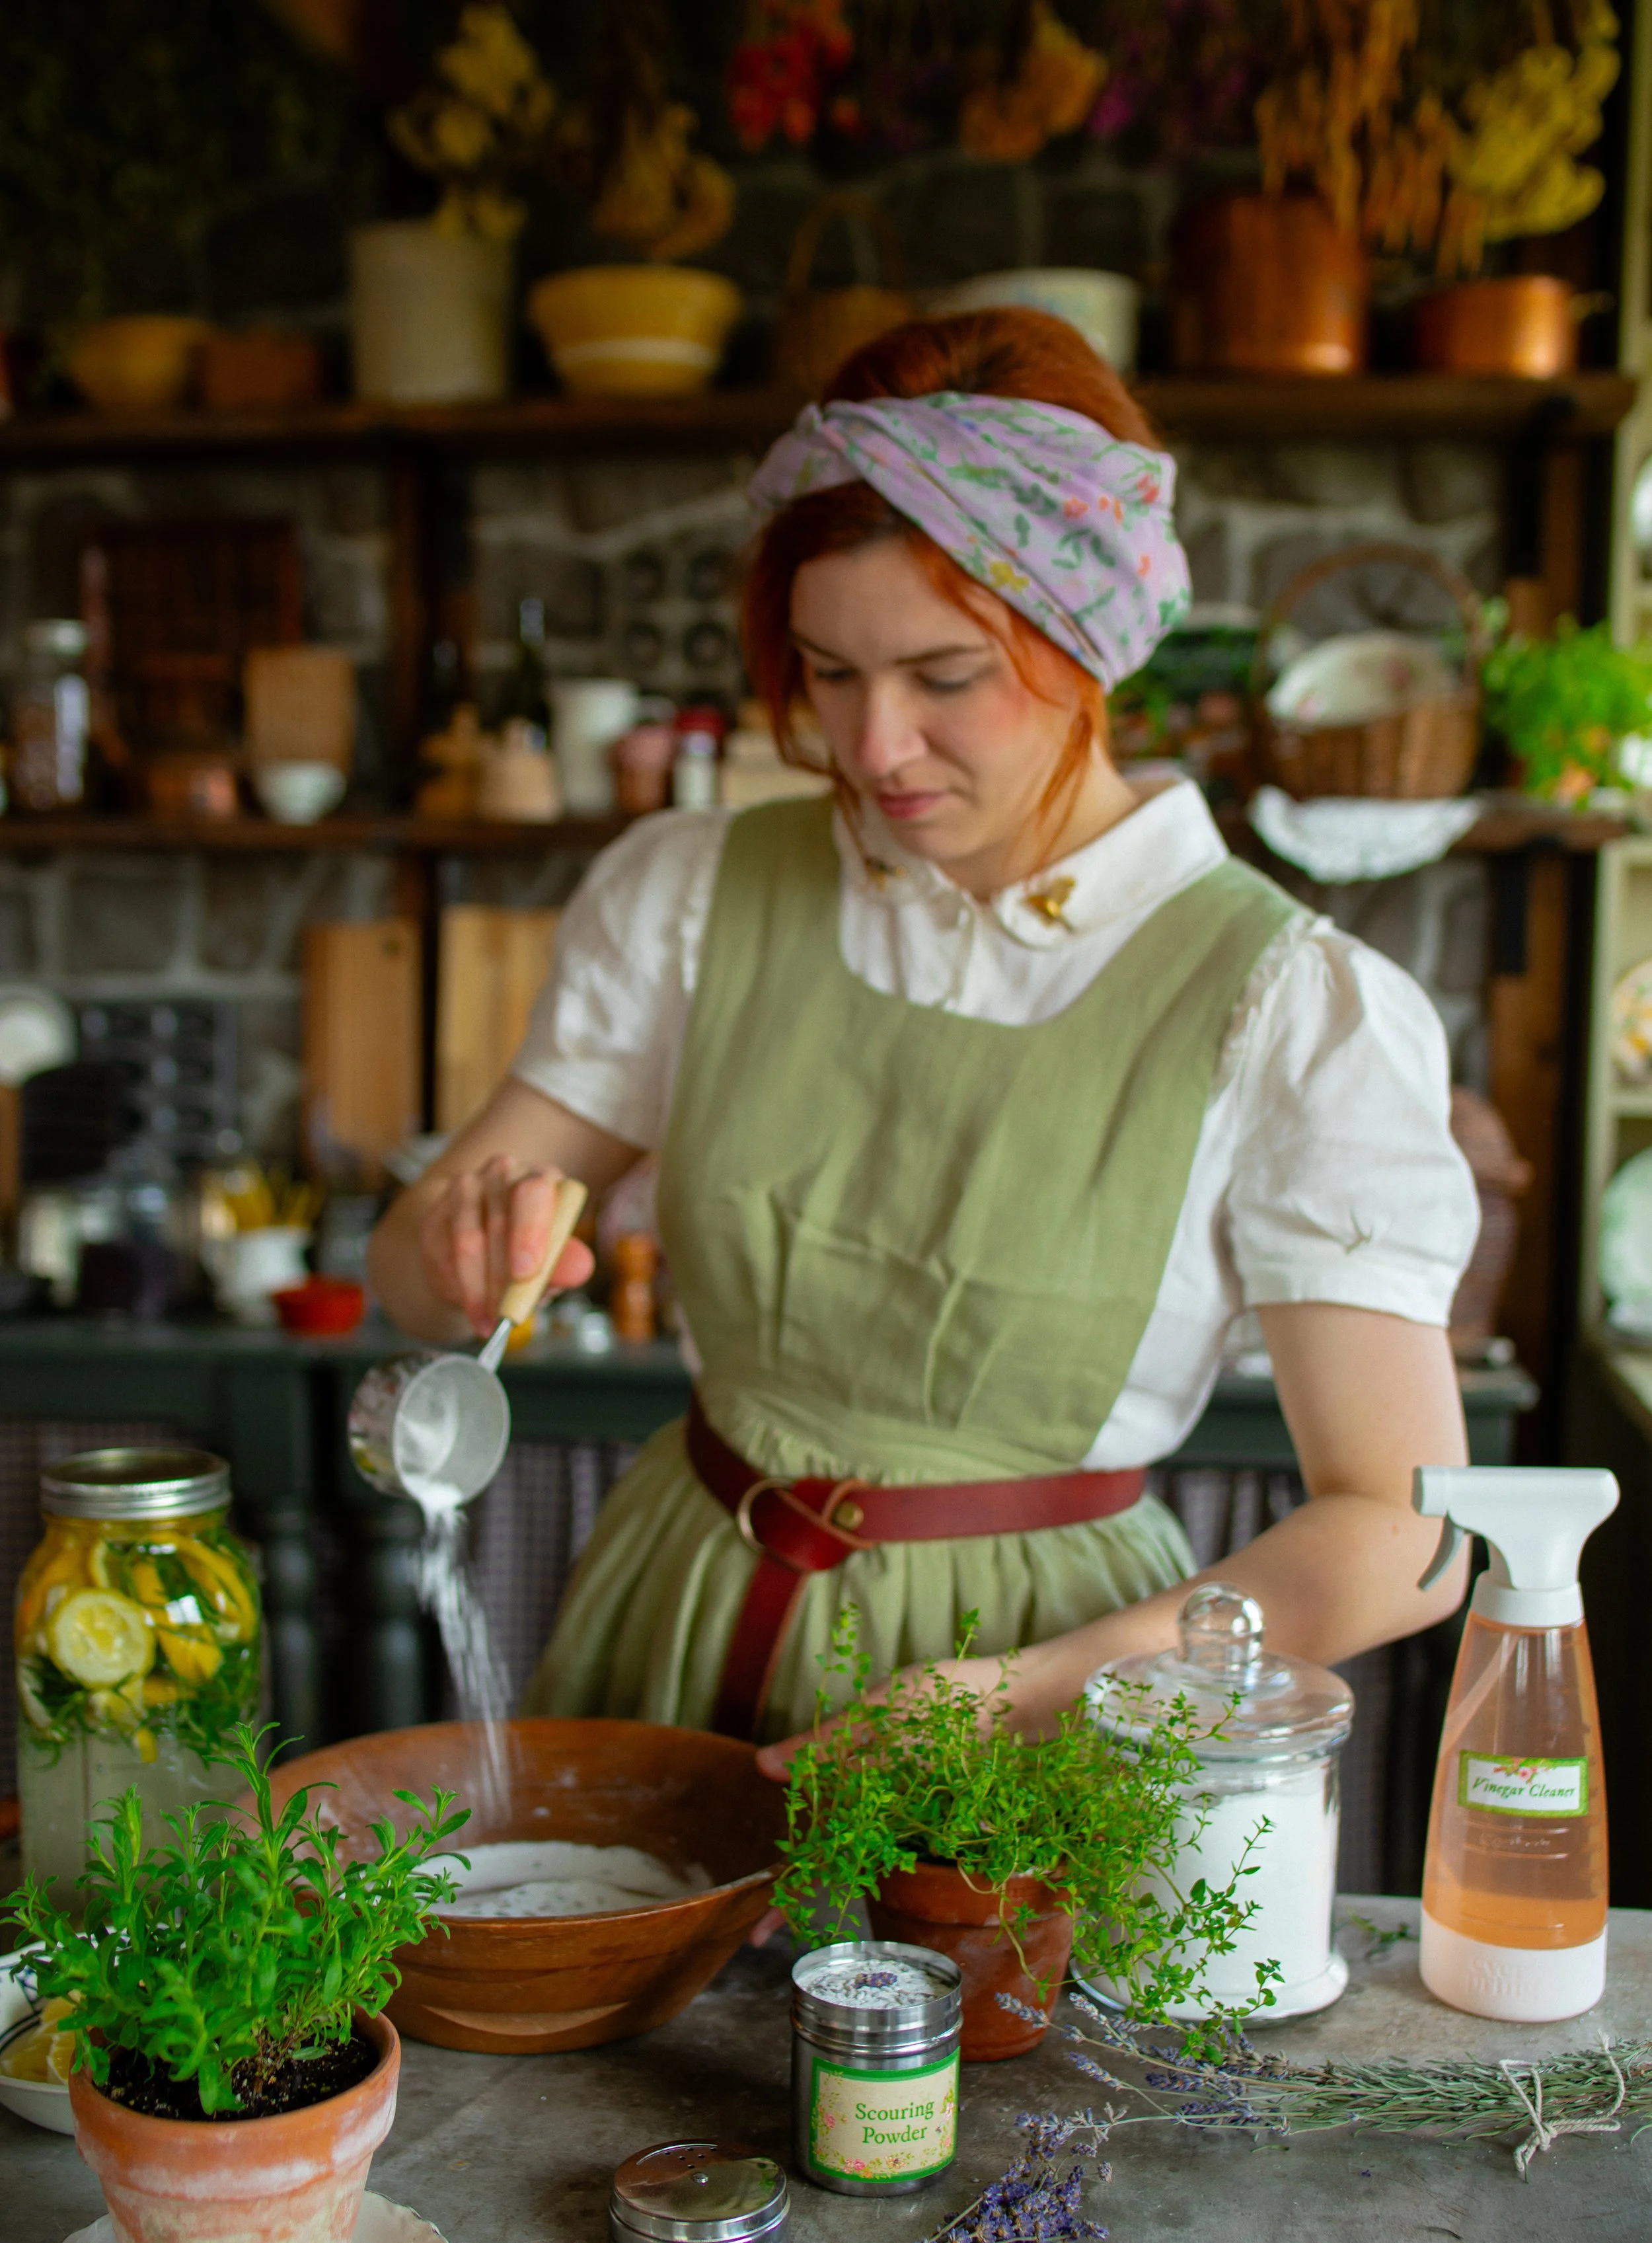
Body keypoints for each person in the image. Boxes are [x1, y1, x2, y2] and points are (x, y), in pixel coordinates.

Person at [368, 308, 1477, 1751]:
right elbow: (407, 1273)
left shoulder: (1289, 1006)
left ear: (1090, 646)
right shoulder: (694, 892)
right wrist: (458, 1246)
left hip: (1052, 1701)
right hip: (681, 1623)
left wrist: (1031, 1692)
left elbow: (1407, 1537)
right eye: (829, 671)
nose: (871, 746)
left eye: (944, 677)